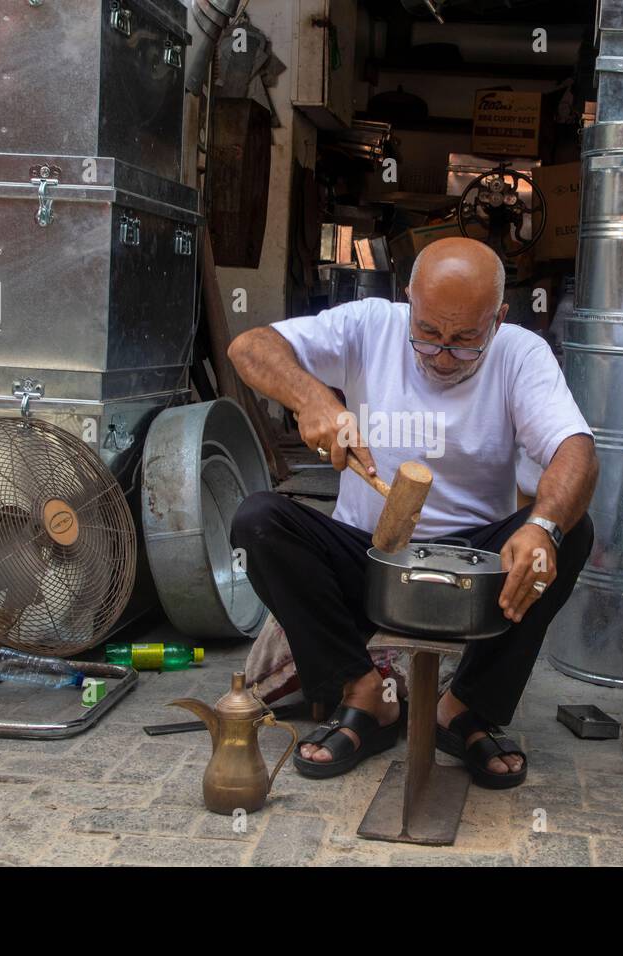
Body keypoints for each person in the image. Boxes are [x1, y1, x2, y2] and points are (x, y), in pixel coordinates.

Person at [227, 237, 597, 789]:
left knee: (569, 533)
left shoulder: (521, 353)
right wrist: (312, 398)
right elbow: (249, 347)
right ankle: (364, 694)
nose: (443, 354)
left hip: (475, 573)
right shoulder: (370, 325)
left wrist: (542, 528)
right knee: (259, 522)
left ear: (498, 318)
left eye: (466, 339)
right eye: (427, 333)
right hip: (372, 559)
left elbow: (577, 451)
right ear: (409, 302)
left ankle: (466, 707)